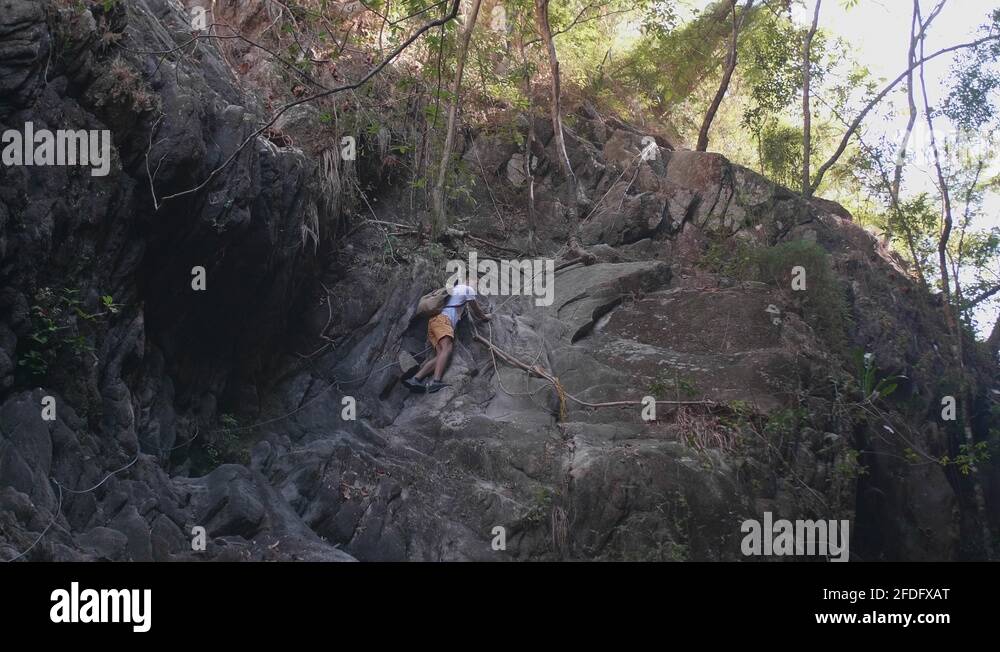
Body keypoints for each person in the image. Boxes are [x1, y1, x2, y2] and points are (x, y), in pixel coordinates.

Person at [404, 281, 491, 393]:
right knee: (447, 349)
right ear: (468, 280)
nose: (477, 285)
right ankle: (436, 382)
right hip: (443, 321)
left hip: (433, 322)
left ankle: (415, 379)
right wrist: (485, 317)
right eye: (476, 282)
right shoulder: (467, 289)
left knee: (441, 355)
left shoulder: (453, 290)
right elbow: (477, 310)